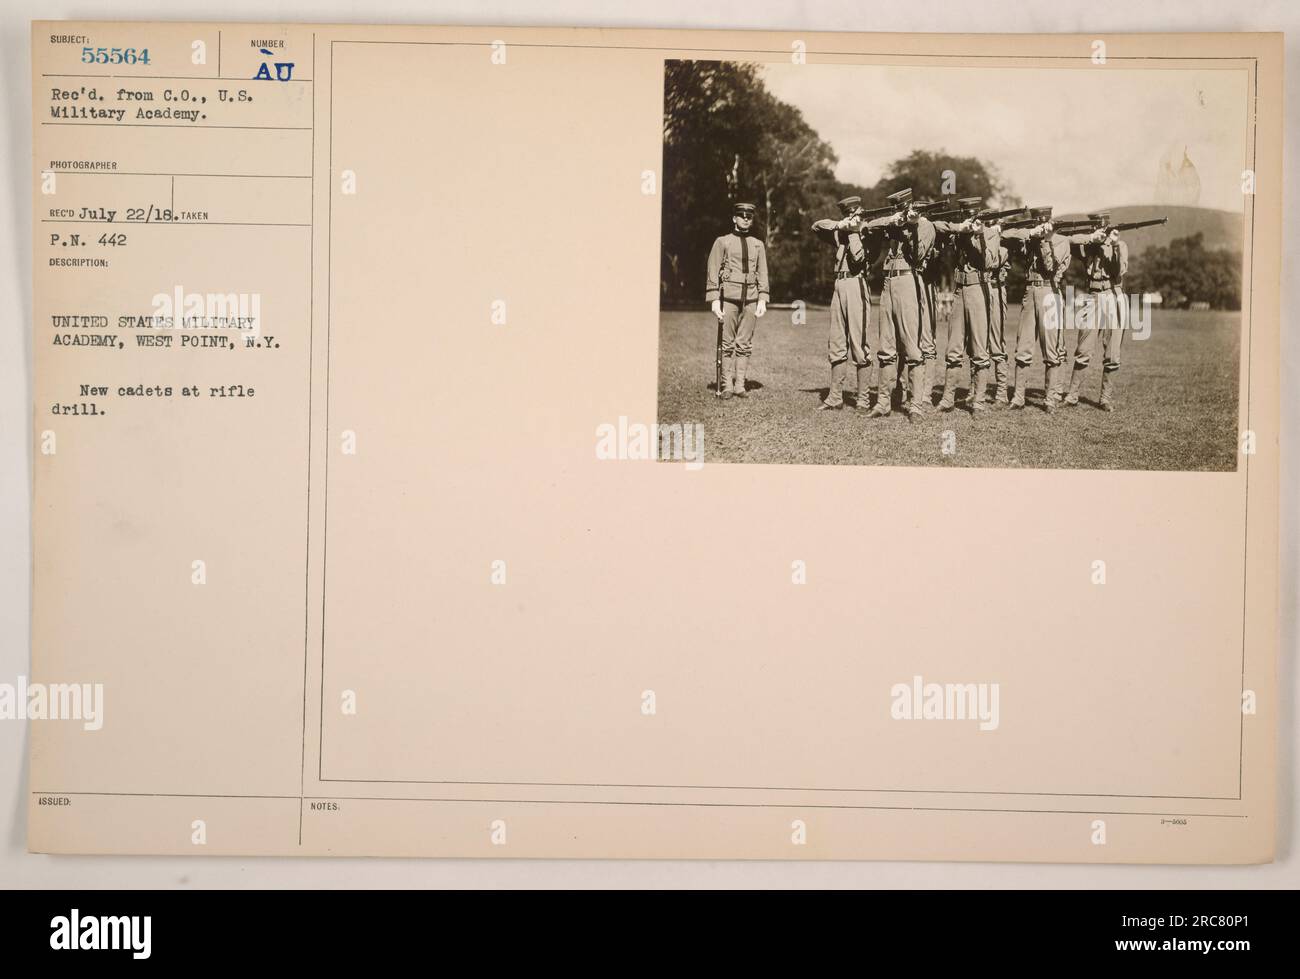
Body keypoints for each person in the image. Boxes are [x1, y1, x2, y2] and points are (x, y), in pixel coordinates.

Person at [861, 189, 937, 420]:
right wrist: (894, 220)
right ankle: (883, 402)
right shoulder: (893, 223)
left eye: (900, 208)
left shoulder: (924, 226)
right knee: (886, 347)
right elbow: (869, 225)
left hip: (908, 281)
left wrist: (910, 227)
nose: (897, 211)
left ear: (909, 205)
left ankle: (915, 405)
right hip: (888, 283)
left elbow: (918, 256)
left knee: (912, 347)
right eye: (895, 209)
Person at [931, 202, 1004, 413]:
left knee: (980, 349)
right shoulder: (959, 231)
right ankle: (947, 399)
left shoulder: (990, 233)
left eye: (973, 216)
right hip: (959, 290)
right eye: (967, 216)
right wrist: (960, 229)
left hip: (979, 290)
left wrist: (979, 234)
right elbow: (936, 226)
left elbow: (989, 262)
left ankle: (979, 401)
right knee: (953, 348)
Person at [811, 196, 879, 410]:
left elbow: (859, 259)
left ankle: (863, 399)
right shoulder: (841, 230)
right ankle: (835, 397)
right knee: (837, 343)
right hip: (839, 286)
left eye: (854, 212)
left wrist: (854, 231)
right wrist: (842, 225)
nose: (851, 216)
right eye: (847, 213)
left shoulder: (869, 231)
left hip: (856, 284)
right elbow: (816, 226)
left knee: (859, 345)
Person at [1001, 207, 1072, 412]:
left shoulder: (1061, 241)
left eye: (1042, 221)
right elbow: (1005, 233)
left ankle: (1050, 400)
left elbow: (1051, 267)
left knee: (1051, 350)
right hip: (1029, 292)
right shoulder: (1030, 237)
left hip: (1050, 292)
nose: (1039, 225)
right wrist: (1032, 233)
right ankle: (1018, 397)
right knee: (1023, 347)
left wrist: (1046, 239)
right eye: (1036, 222)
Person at [705, 202, 769, 399]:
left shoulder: (758, 244)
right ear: (734, 218)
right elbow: (713, 270)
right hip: (730, 297)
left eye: (749, 216)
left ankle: (740, 384)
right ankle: (726, 385)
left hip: (750, 298)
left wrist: (763, 298)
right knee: (727, 343)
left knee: (744, 343)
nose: (746, 219)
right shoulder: (723, 242)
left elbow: (763, 273)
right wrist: (714, 298)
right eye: (742, 215)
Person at [1065, 214, 1129, 412]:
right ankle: (1072, 396)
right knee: (1084, 350)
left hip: (1113, 295)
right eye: (1095, 227)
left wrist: (1115, 245)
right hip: (1092, 296)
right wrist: (1091, 238)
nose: (1099, 230)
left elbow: (1120, 271)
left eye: (1101, 227)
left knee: (1112, 354)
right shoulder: (1088, 244)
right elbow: (1068, 240)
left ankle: (1105, 399)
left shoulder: (1120, 245)